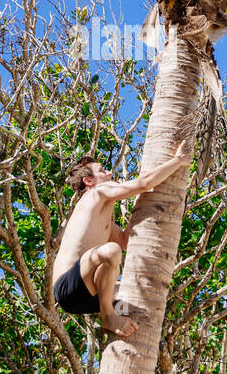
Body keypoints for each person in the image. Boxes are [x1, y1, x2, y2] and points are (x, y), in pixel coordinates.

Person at [53, 142, 190, 339]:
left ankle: (125, 328)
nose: (109, 174)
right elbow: (144, 184)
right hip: (67, 286)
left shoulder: (102, 219)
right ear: (89, 181)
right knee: (111, 251)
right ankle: (108, 316)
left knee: (135, 292)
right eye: (102, 171)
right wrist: (177, 160)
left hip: (86, 297)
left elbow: (126, 242)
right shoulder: (97, 192)